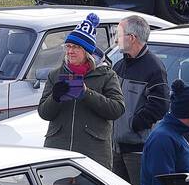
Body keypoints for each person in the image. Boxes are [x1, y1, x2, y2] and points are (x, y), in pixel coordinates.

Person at [36, 14, 125, 171]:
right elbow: (44, 113)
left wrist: (86, 93)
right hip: (58, 152)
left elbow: (117, 109)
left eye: (75, 47)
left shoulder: (106, 74)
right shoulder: (55, 75)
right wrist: (55, 98)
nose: (70, 51)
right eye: (68, 46)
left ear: (87, 52)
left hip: (93, 154)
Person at [112, 14, 168, 185]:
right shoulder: (119, 65)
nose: (116, 40)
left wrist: (134, 124)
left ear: (132, 38)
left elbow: (161, 104)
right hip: (116, 148)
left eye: (119, 34)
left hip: (138, 151)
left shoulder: (154, 68)